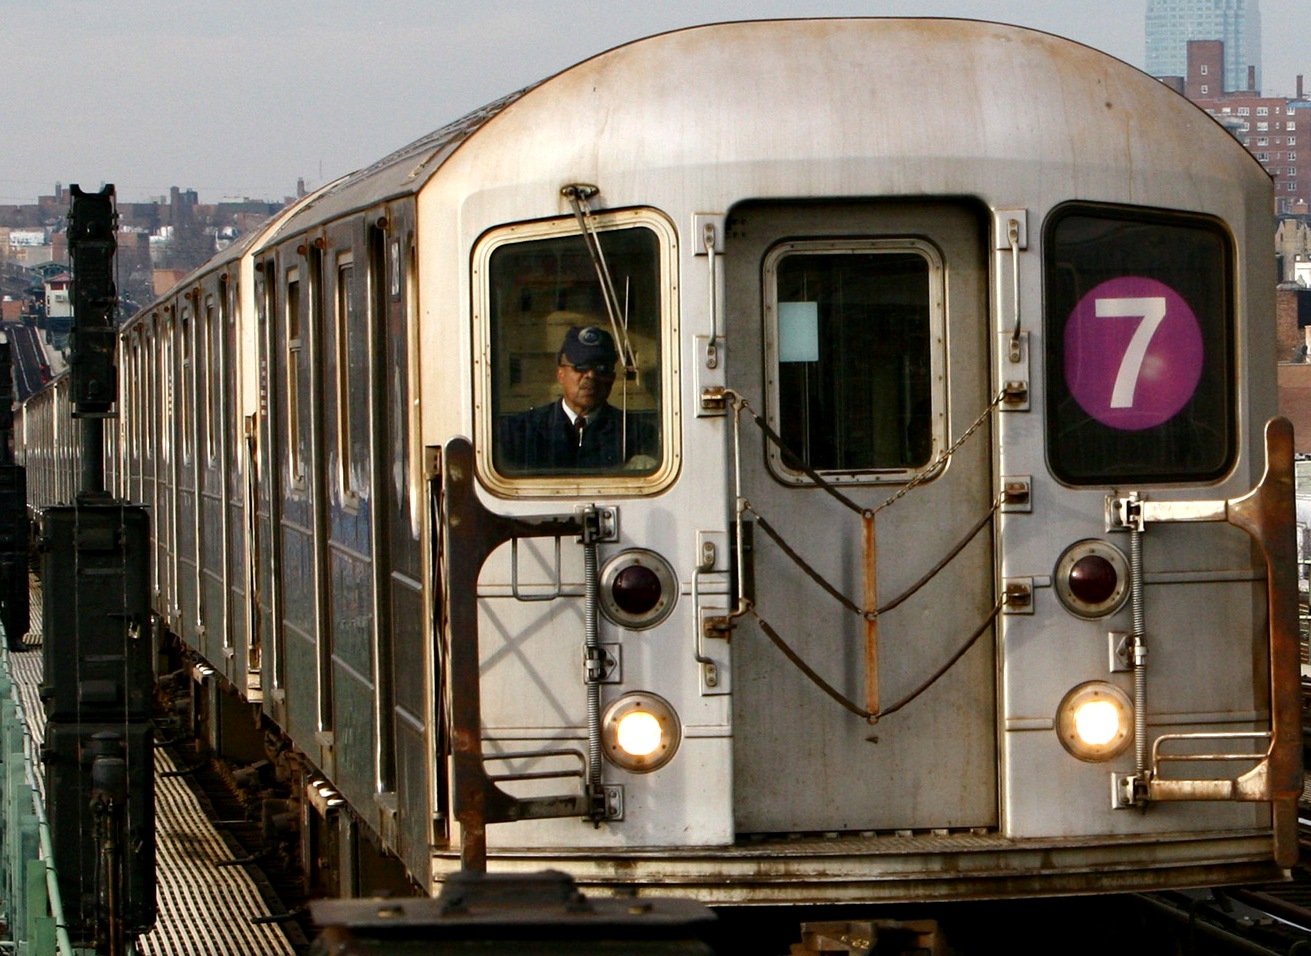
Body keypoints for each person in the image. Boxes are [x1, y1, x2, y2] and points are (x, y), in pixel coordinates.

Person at [498, 325, 658, 473]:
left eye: (601, 368)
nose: (591, 375)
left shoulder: (638, 435)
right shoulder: (519, 432)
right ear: (560, 374)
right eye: (580, 367)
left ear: (612, 377)